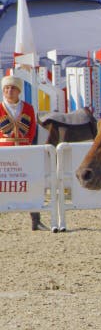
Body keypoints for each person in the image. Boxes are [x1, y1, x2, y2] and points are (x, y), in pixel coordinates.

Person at [0, 75, 44, 230]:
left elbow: (32, 129)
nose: (9, 91)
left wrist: (26, 145)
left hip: (24, 151)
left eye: (13, 88)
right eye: (6, 88)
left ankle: (35, 219)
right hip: (4, 152)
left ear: (19, 91)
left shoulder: (28, 108)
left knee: (30, 183)